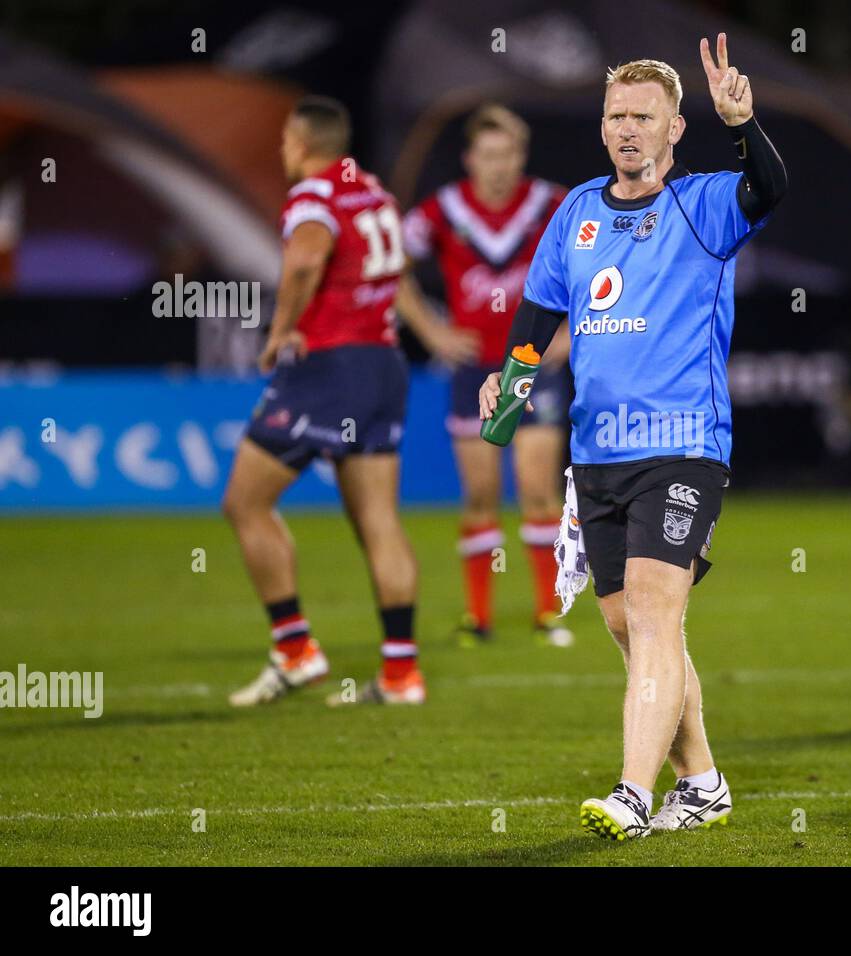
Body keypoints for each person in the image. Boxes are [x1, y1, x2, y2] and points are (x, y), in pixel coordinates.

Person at [478, 36, 786, 838]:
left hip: (683, 446)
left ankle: (631, 793)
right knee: (626, 625)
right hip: (597, 454)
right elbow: (538, 317)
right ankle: (705, 781)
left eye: (644, 117)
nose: (627, 129)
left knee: (653, 614)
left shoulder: (707, 202)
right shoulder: (576, 211)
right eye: (616, 115)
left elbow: (770, 187)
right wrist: (508, 380)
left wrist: (744, 123)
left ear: (675, 129)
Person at [225, 96, 424, 707]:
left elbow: (307, 258)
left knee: (244, 503)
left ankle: (295, 649)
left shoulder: (314, 195)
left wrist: (282, 327)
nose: (283, 150)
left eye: (286, 139)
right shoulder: (373, 191)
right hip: (383, 364)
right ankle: (400, 675)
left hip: (331, 365)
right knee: (378, 519)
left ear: (304, 143)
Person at [398, 104, 574, 648]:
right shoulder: (441, 211)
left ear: (521, 156)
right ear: (471, 158)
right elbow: (390, 263)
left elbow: (605, 269)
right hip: (472, 368)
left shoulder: (555, 205)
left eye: (509, 154)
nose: (499, 165)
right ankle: (480, 617)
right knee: (479, 495)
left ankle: (548, 611)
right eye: (489, 154)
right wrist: (431, 333)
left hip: (531, 361)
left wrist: (570, 333)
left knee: (538, 487)